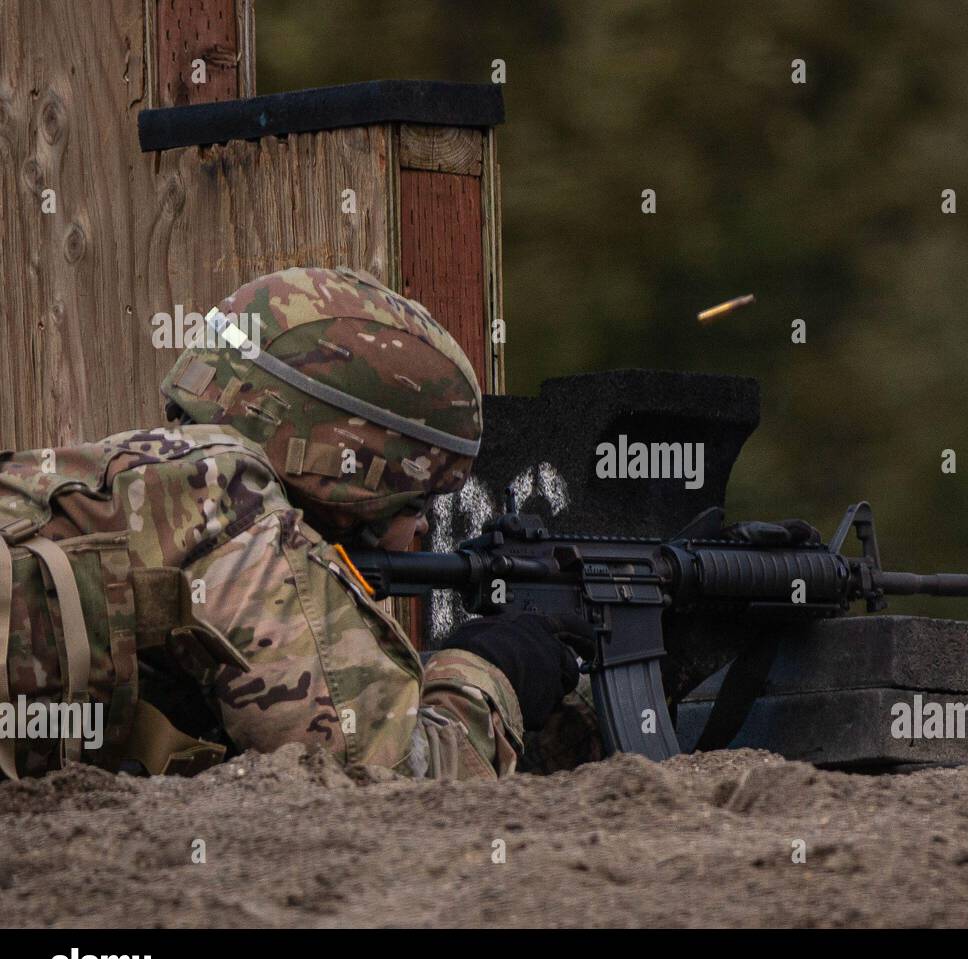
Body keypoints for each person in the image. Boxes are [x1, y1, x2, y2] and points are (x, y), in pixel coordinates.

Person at [0, 267, 592, 781]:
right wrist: (491, 668)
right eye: (416, 504)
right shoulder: (230, 507)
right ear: (347, 469)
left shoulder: (137, 484)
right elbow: (389, 789)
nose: (419, 533)